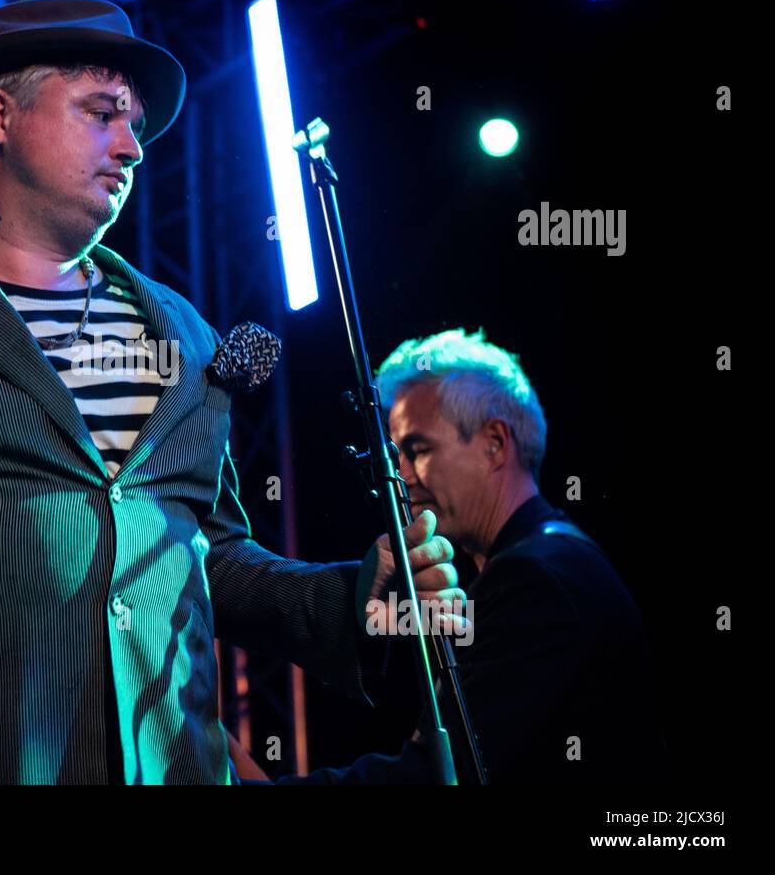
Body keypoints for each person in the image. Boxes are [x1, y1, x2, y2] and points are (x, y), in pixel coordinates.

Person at [0, 0, 462, 784]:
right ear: (0, 114)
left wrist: (355, 590)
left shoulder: (183, 331)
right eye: (104, 112)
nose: (133, 145)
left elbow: (204, 554)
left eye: (137, 124)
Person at [273, 329, 666, 784]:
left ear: (495, 444)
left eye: (417, 451)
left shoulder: (539, 577)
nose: (399, 476)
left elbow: (435, 778)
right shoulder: (540, 563)